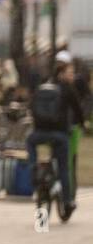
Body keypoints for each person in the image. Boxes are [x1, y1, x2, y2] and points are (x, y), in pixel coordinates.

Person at [28, 63, 84, 219]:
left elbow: (31, 106)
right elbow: (78, 111)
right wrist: (82, 124)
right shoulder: (67, 89)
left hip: (38, 134)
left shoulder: (44, 87)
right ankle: (67, 201)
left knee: (30, 142)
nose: (72, 76)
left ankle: (34, 168)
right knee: (64, 167)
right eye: (70, 73)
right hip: (59, 136)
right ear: (62, 74)